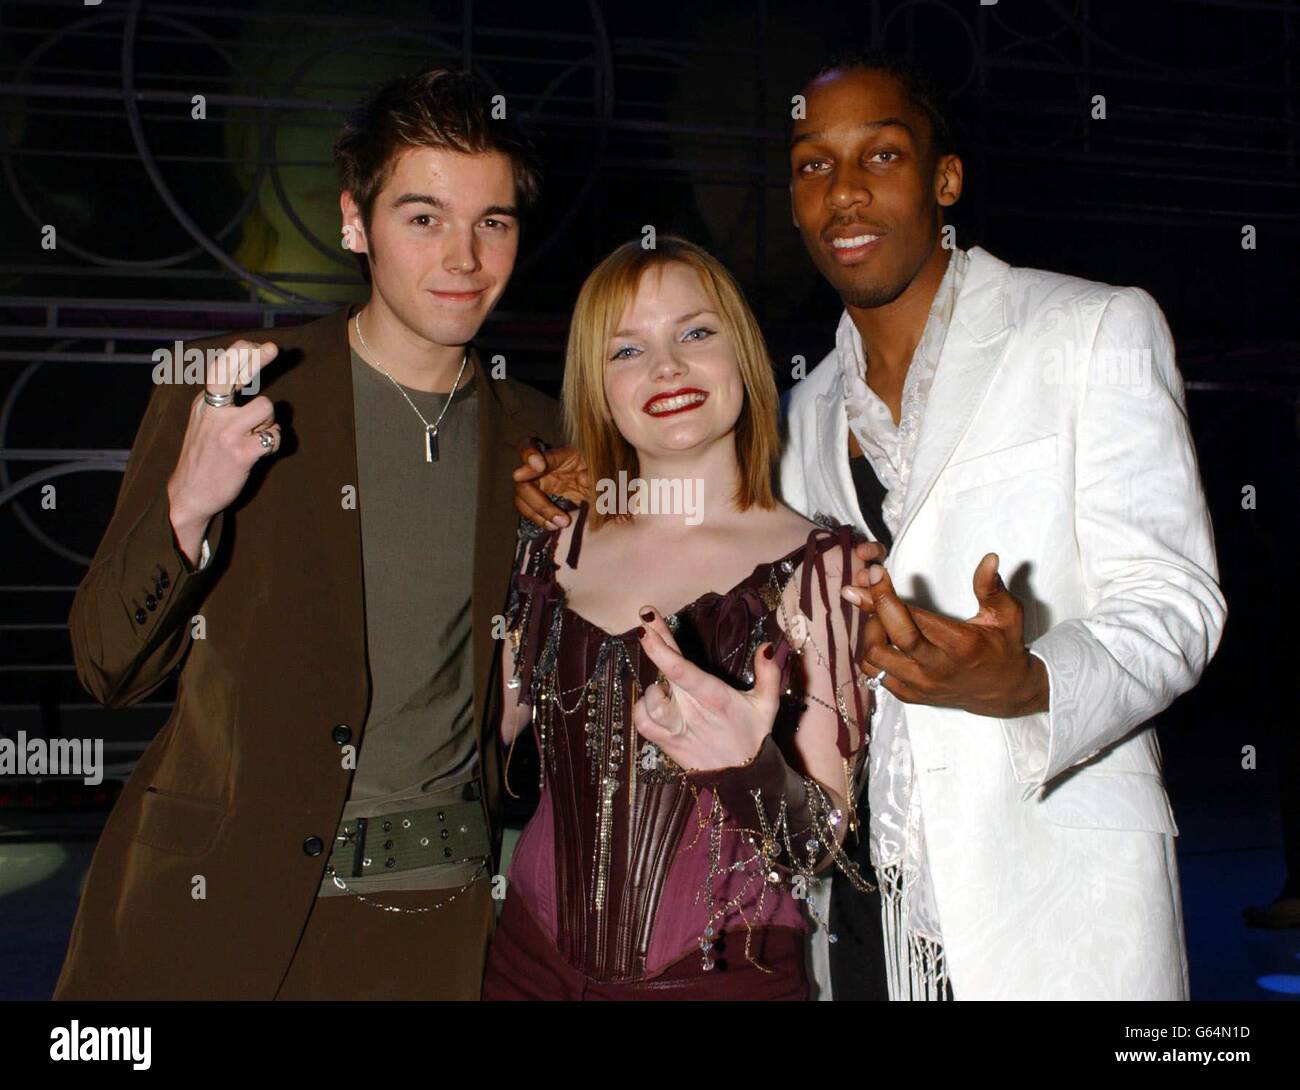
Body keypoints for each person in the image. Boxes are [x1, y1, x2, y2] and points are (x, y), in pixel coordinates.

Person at [514, 52, 1226, 1000]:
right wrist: (589, 477)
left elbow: (1178, 605)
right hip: (850, 918)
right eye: (813, 164)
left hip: (1046, 901)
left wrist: (1029, 681)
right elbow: (705, 517)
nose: (844, 192)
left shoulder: (1088, 330)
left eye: (880, 156)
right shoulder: (798, 413)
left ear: (945, 179)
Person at [54, 69, 559, 999]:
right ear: (352, 222)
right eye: (423, 217)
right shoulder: (239, 391)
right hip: (222, 918)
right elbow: (104, 665)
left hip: (434, 922)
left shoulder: (545, 436)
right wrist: (189, 505)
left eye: (493, 221)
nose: (464, 257)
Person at [482, 237, 876, 1000]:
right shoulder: (552, 541)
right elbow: (475, 740)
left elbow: (819, 846)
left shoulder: (821, 567)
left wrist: (748, 766)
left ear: (744, 354)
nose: (666, 367)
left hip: (727, 980)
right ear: (597, 385)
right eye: (627, 349)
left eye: (695, 333)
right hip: (526, 967)